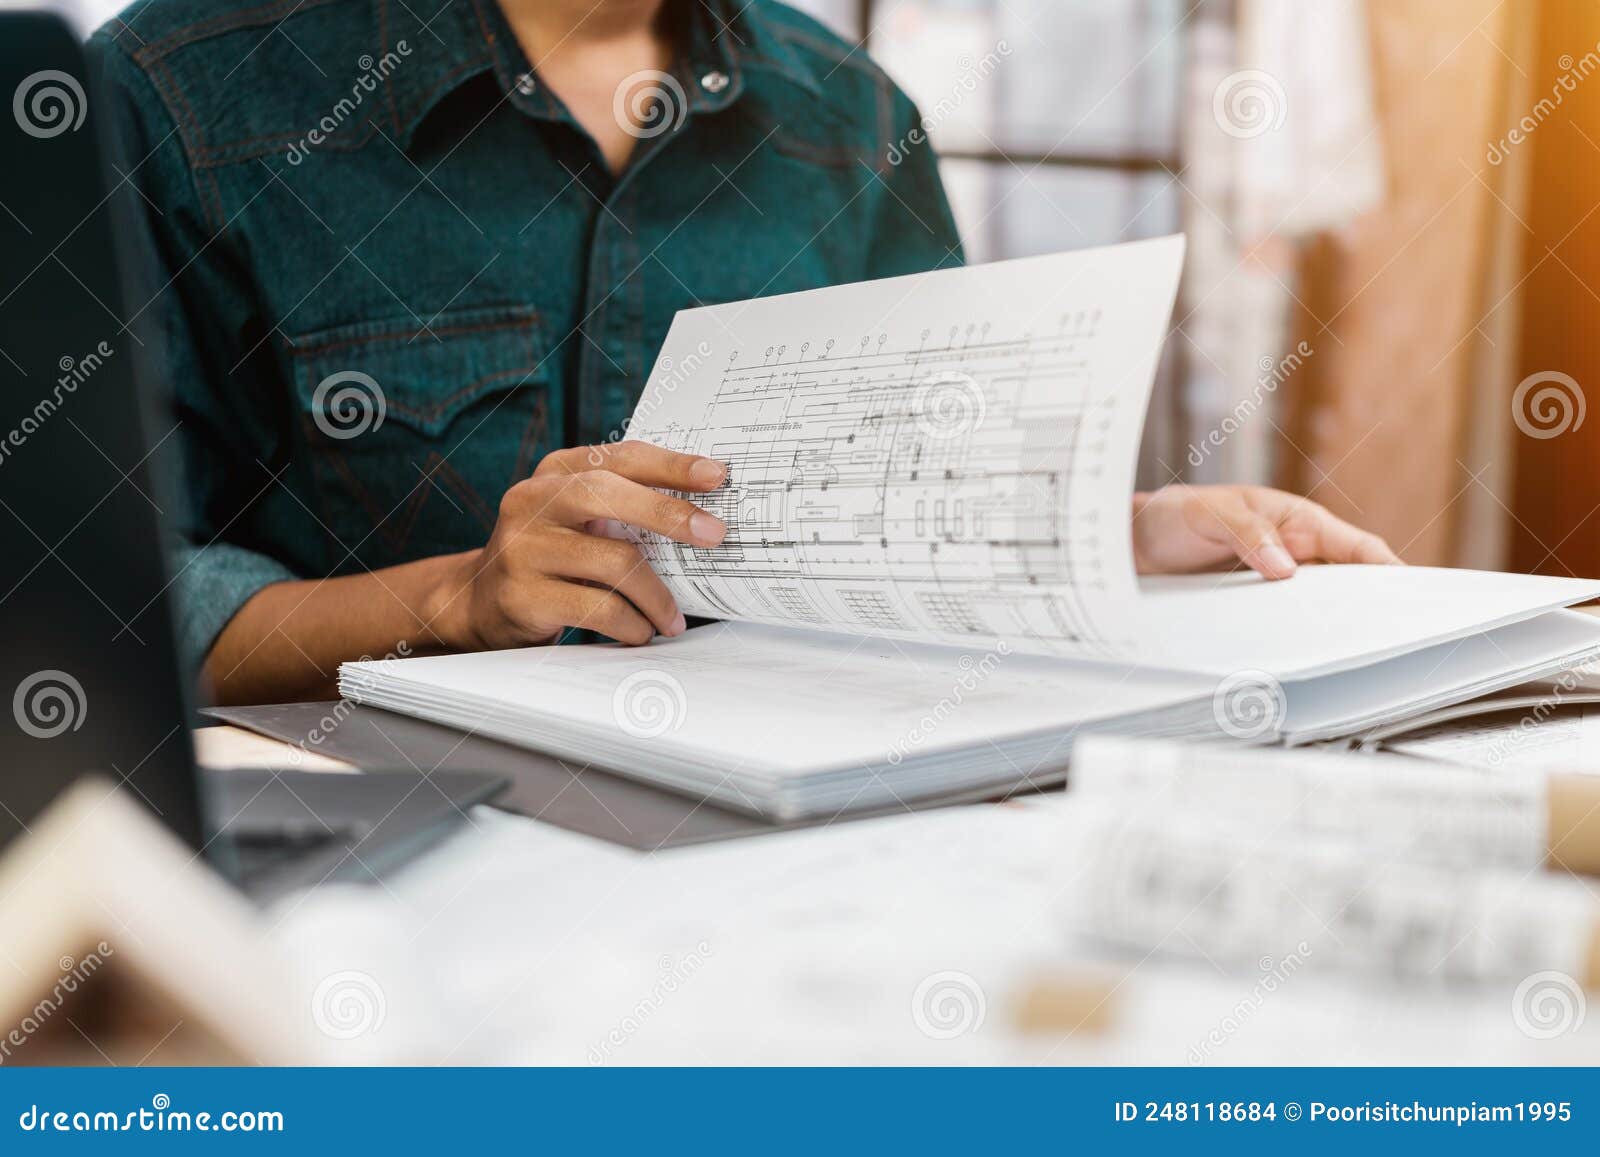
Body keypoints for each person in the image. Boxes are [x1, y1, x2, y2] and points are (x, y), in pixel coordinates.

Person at [92, 0, 1399, 705]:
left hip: (794, 863)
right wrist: (453, 604)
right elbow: (95, 614)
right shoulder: (177, 97)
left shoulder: (849, 115)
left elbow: (895, 510)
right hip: (359, 906)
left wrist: (1120, 526)